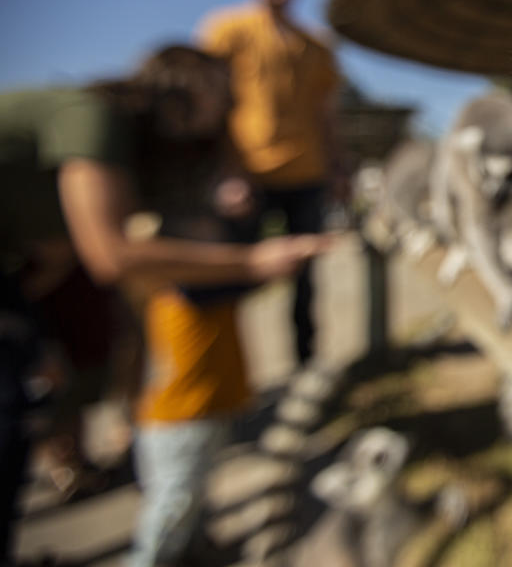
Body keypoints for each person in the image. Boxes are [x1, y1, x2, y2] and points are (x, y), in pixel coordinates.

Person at [0, 44, 327, 567]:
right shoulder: (90, 117)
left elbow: (58, 252)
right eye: (222, 91)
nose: (230, 107)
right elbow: (111, 254)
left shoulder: (134, 163)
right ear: (183, 84)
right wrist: (251, 262)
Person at [198, 0, 343, 366]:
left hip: (307, 172)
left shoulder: (315, 45)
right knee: (230, 273)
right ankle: (230, 375)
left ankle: (306, 364)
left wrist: (340, 166)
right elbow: (212, 102)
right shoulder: (225, 30)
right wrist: (224, 171)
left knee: (306, 279)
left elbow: (326, 113)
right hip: (248, 172)